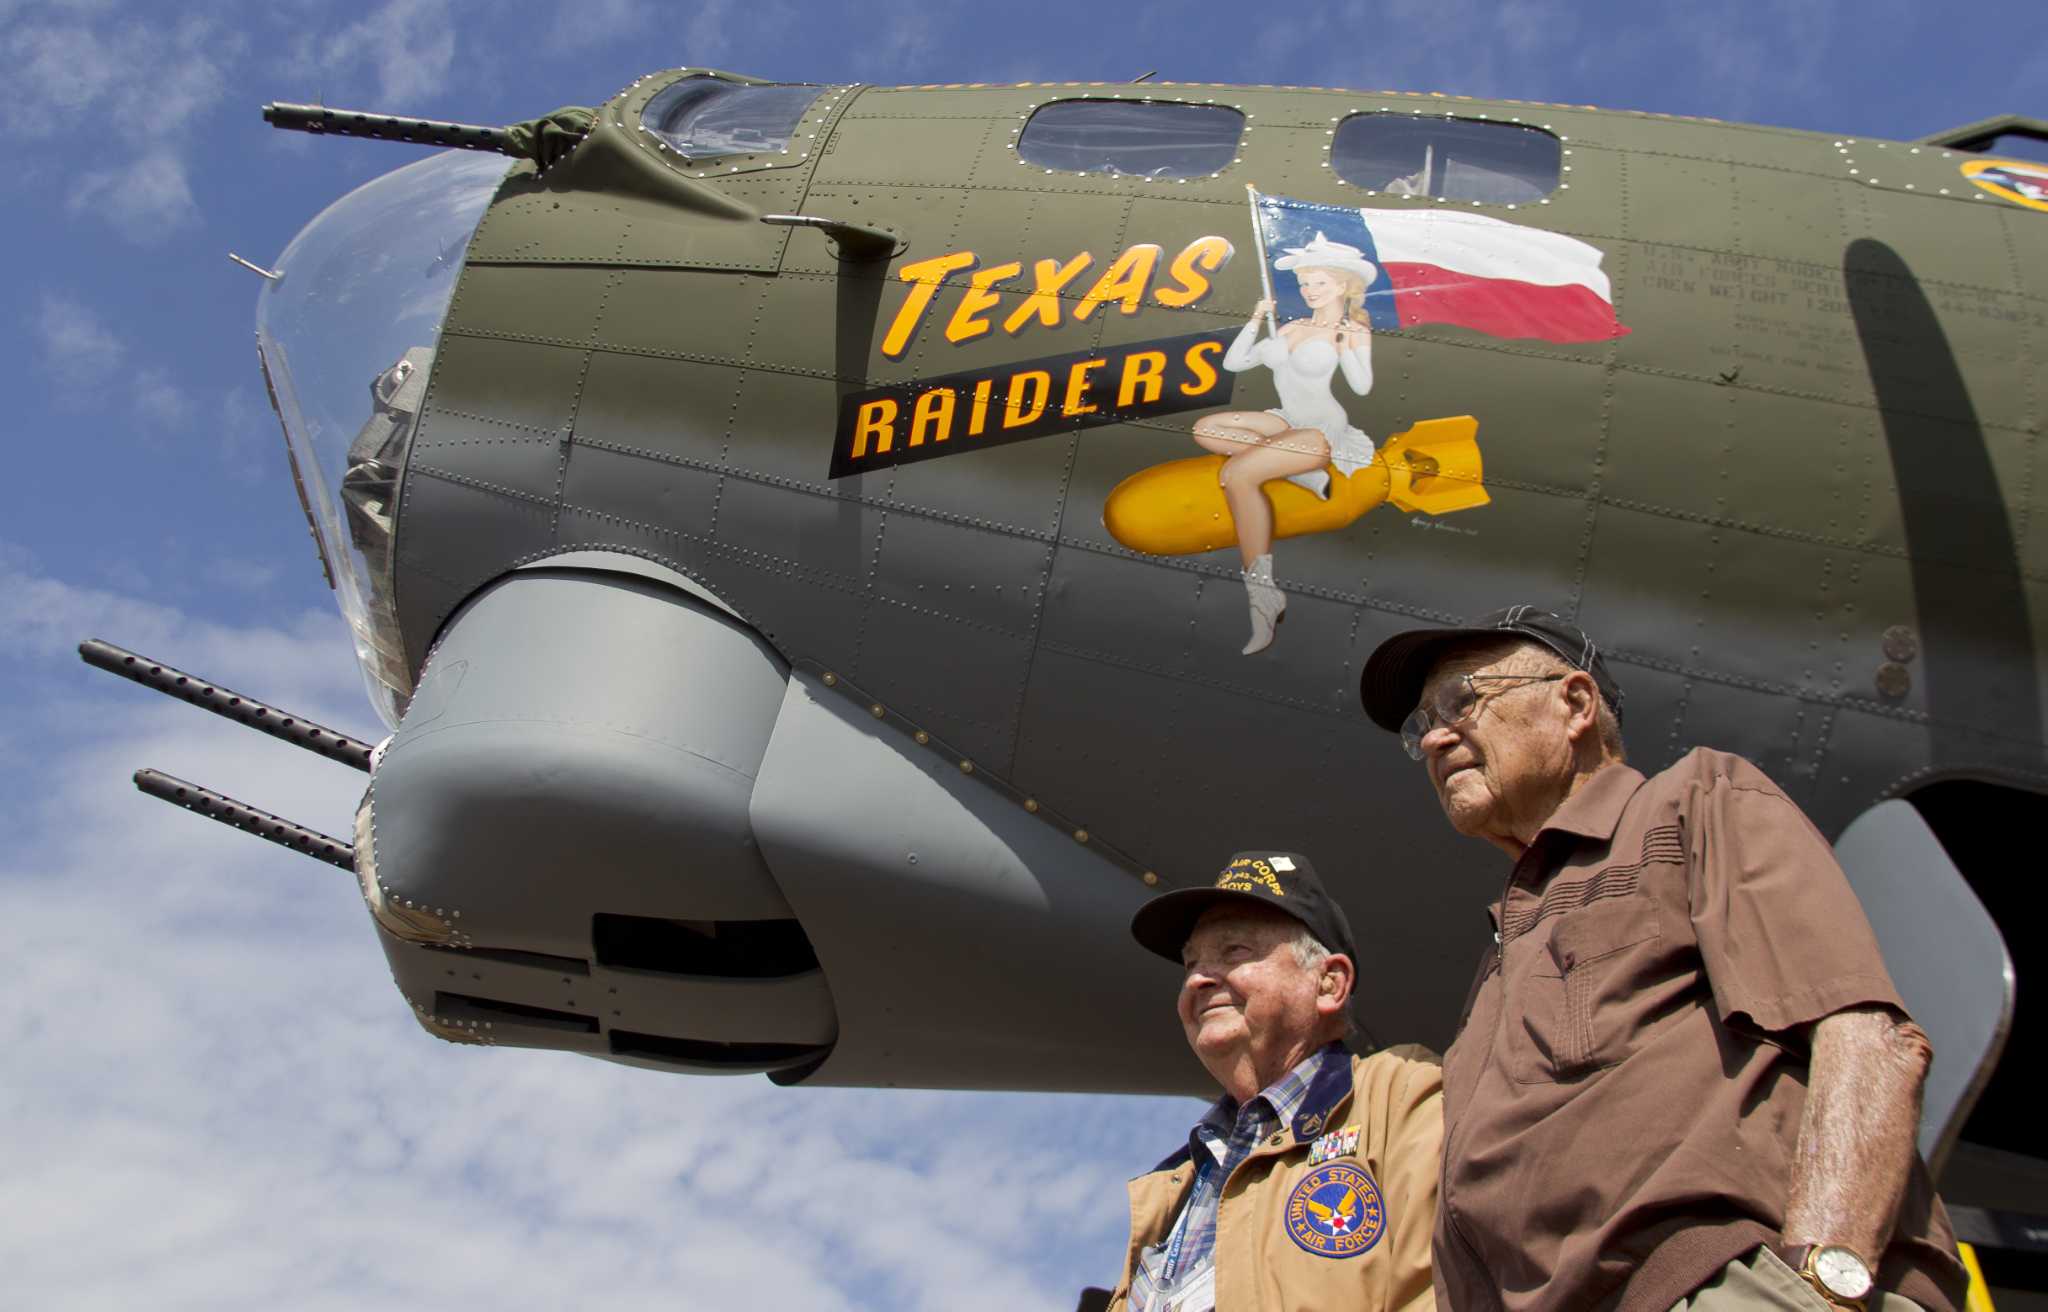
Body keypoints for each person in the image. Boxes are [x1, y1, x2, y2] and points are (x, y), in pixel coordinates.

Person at [1357, 607, 1969, 1311]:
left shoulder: (1693, 803)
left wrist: (1820, 1284)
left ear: (1576, 704)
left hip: (1716, 1283)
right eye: (1421, 724)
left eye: (1462, 702)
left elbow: (1865, 1036)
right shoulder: (1506, 947)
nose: (1433, 736)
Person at [1102, 851, 1442, 1312]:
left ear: (1329, 984)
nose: (1199, 979)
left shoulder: (1404, 1100)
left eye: (1234, 951)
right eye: (1190, 964)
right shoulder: (1170, 1191)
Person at [1192, 233, 1378, 655]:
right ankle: (1305, 475)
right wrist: (1257, 319)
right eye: (1305, 283)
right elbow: (1235, 362)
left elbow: (1362, 387)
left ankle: (1262, 594)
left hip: (1321, 429)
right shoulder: (1292, 326)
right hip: (1285, 420)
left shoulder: (1352, 330)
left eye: (1320, 283)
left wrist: (1347, 345)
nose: (1310, 292)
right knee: (1208, 428)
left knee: (1237, 474)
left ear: (1344, 286)